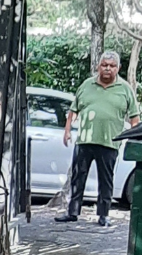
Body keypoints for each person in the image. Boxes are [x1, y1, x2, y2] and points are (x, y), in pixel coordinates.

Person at [55, 51, 140, 226]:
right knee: (78, 178)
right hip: (85, 141)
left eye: (112, 66)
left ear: (118, 68)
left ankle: (104, 215)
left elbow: (134, 118)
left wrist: (135, 139)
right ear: (98, 66)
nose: (107, 68)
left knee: (106, 181)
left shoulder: (125, 89)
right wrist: (67, 130)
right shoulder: (87, 85)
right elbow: (73, 110)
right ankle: (72, 212)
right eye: (104, 65)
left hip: (110, 142)